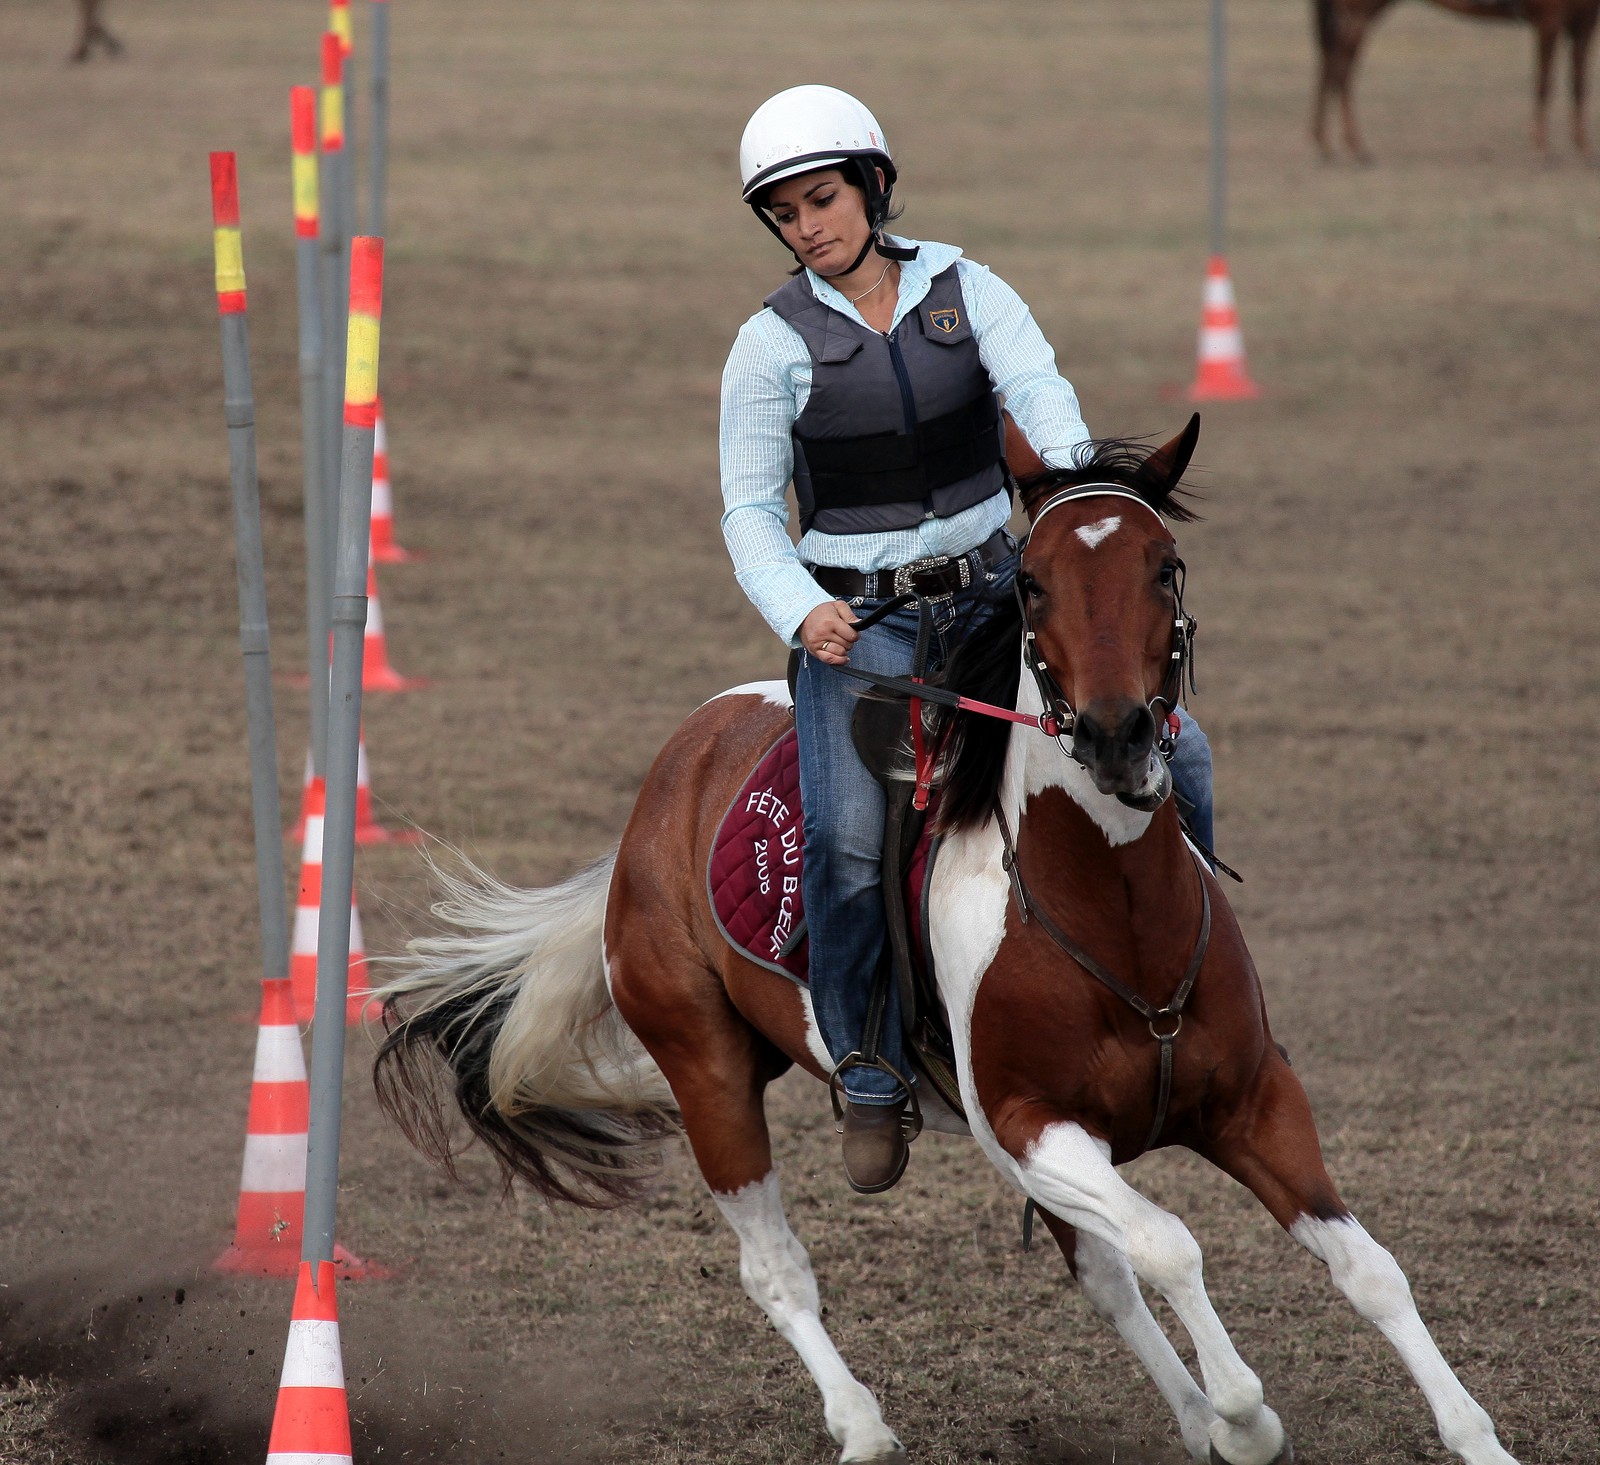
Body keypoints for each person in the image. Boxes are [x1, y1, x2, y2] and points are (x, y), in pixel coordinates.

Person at [718, 86, 1214, 1193]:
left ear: (873, 187)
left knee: (1182, 751)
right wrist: (800, 608)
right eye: (788, 213)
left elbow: (1041, 399)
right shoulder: (767, 348)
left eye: (825, 197)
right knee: (847, 837)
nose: (811, 224)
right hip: (866, 627)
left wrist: (1082, 502)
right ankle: (869, 1065)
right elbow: (747, 508)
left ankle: (1195, 975)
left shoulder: (967, 288)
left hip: (1000, 595)